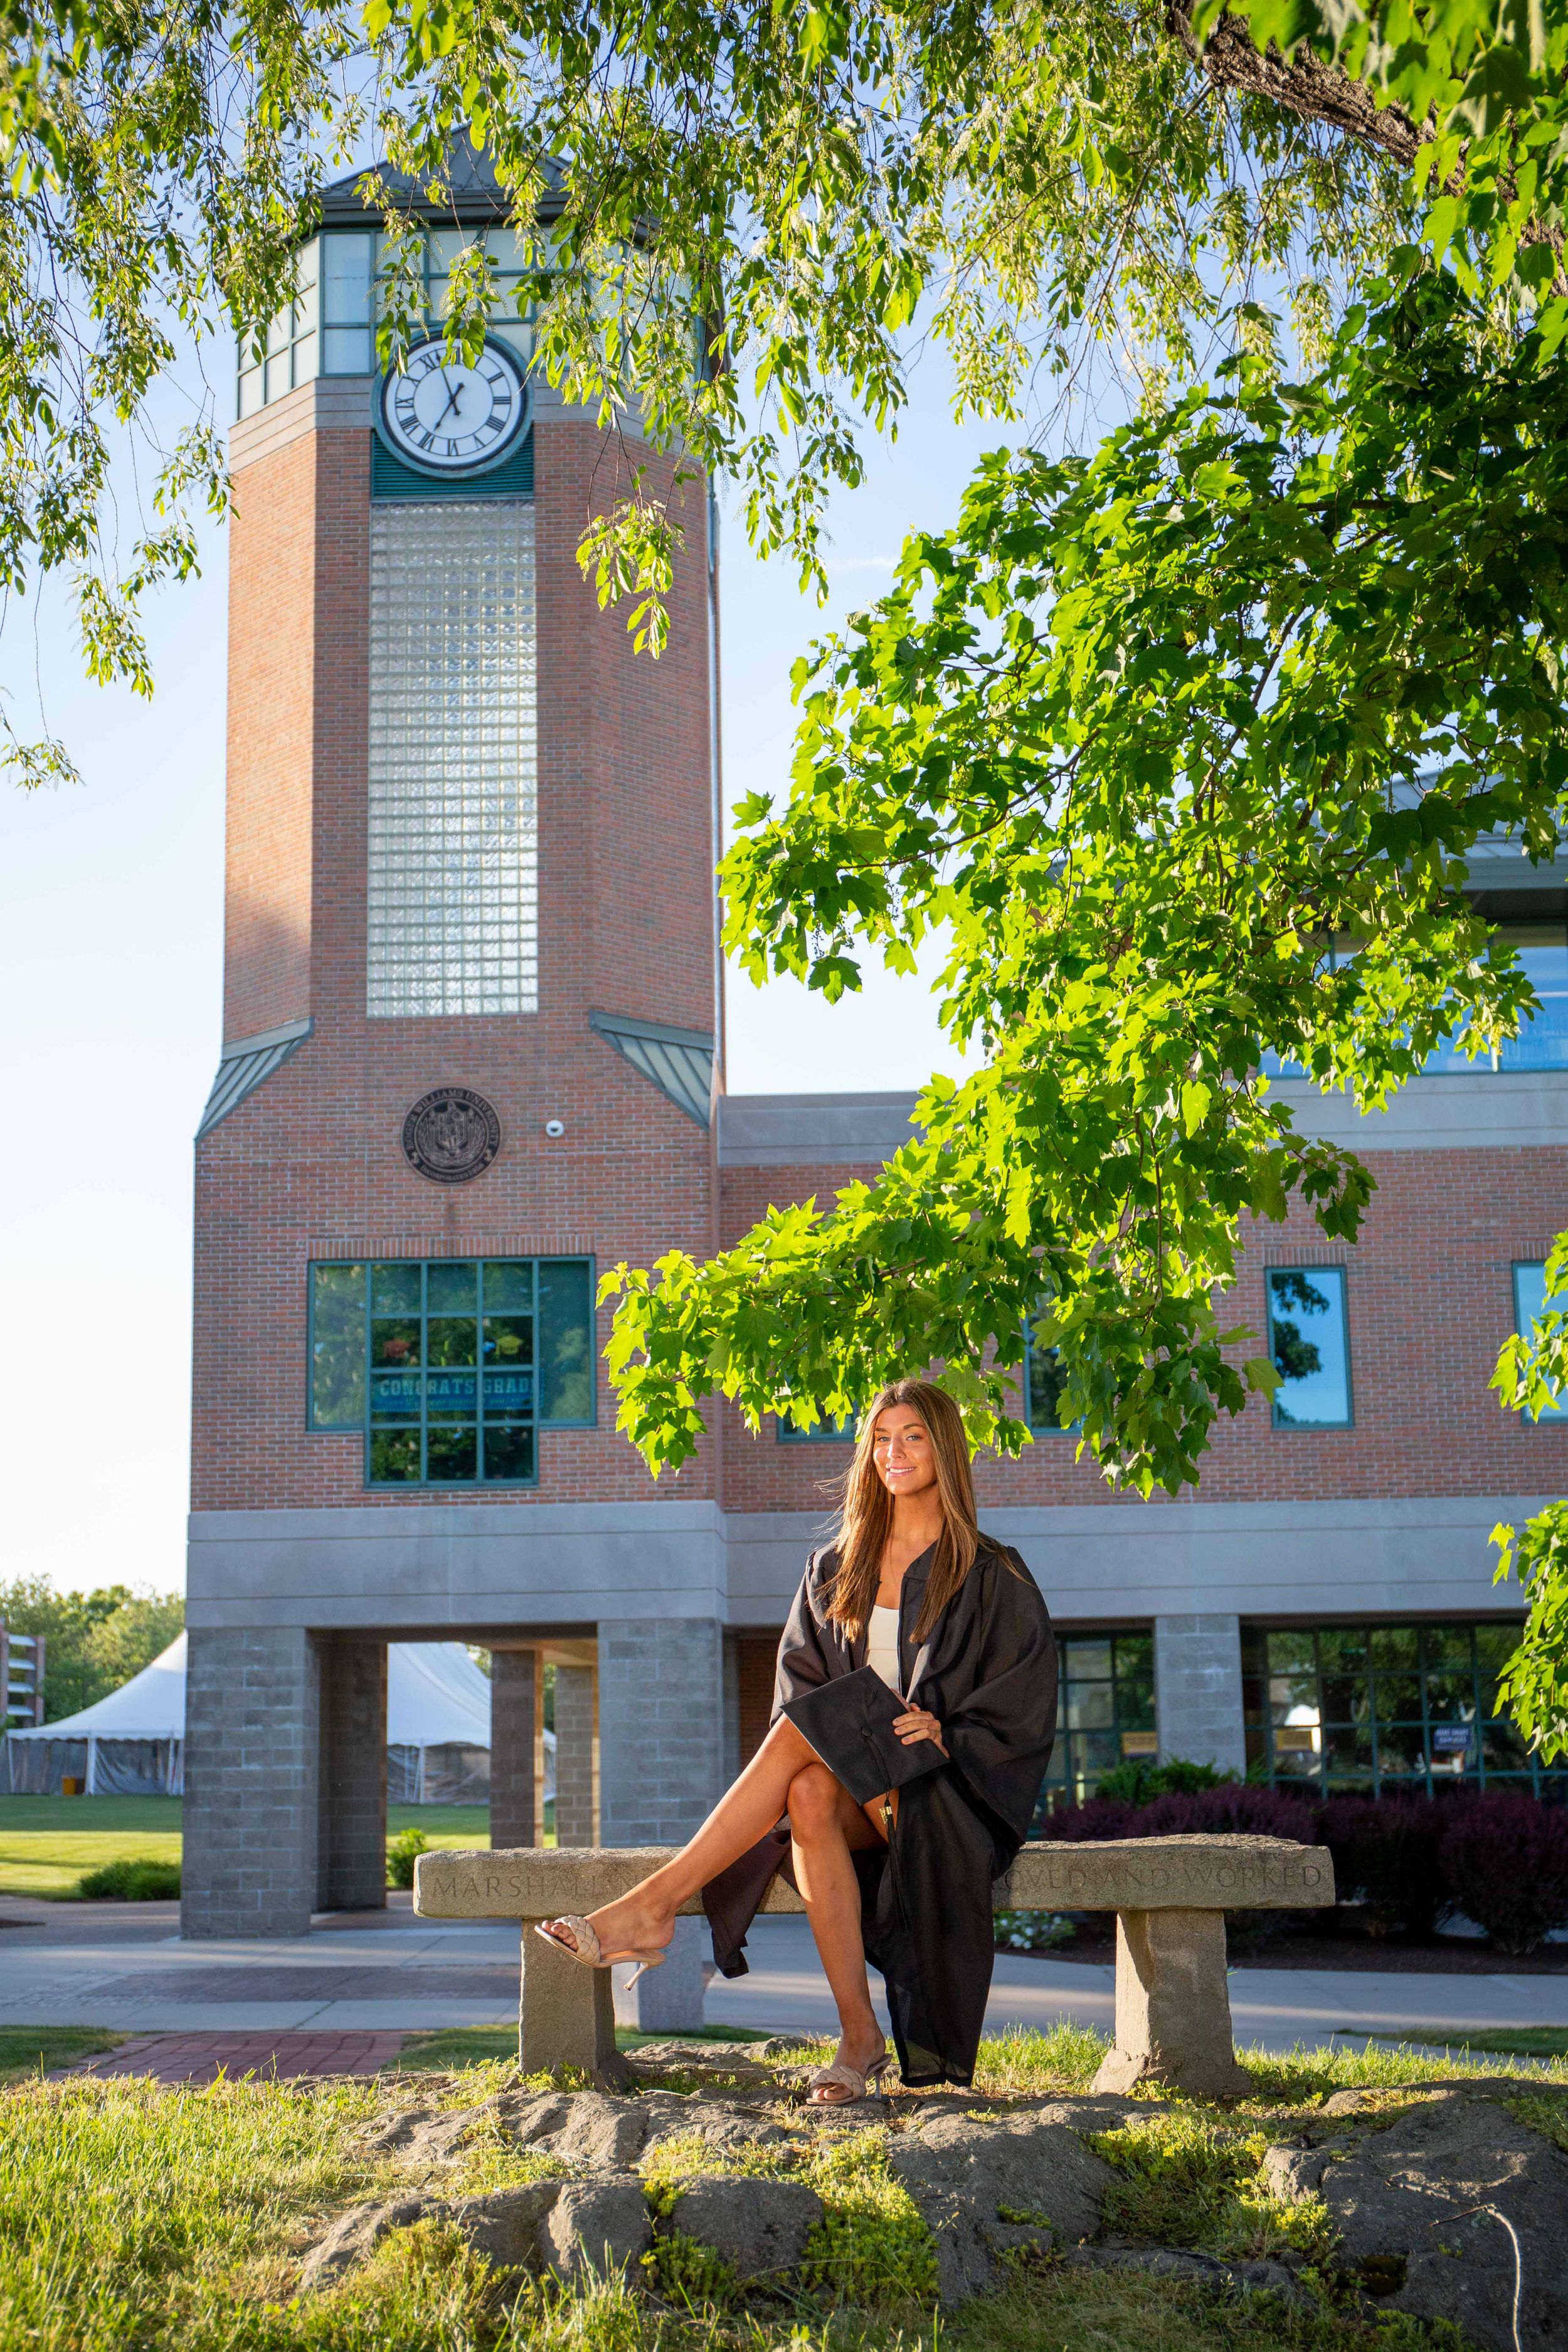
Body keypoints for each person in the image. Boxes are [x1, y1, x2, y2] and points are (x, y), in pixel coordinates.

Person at [536, 1377, 1059, 2100]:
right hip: (858, 1787)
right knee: (809, 1789)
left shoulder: (991, 1574)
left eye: (911, 1437)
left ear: (945, 1449)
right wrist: (855, 1732)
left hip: (947, 1787)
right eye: (880, 1439)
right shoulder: (833, 1568)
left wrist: (946, 1727)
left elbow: (1022, 1706)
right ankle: (857, 2035)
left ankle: (653, 1907)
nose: (894, 1452)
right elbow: (801, 1693)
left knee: (809, 1744)